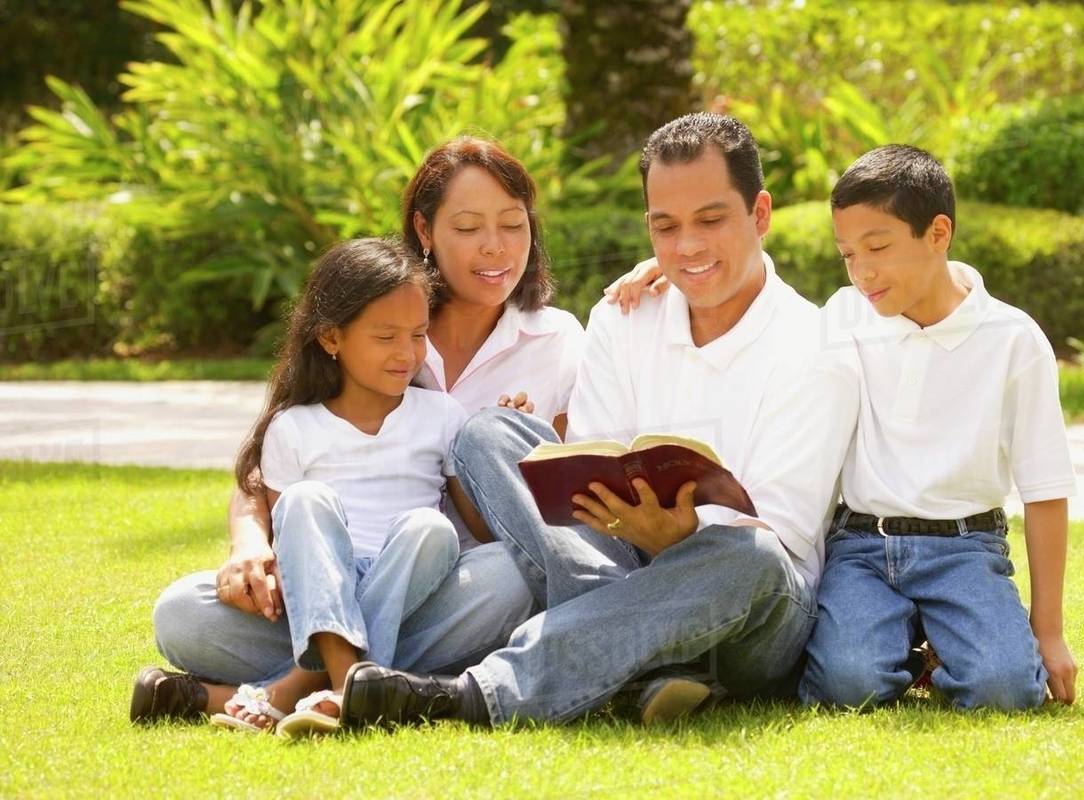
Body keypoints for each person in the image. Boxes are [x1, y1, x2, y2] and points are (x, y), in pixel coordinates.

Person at [332, 112, 859, 729]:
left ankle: (472, 695)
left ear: (759, 214)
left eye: (710, 220)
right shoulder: (623, 317)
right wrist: (627, 521)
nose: (687, 247)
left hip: (748, 605)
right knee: (488, 434)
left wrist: (676, 535)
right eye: (666, 226)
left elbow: (784, 530)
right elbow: (584, 478)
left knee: (753, 555)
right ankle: (649, 668)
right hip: (622, 561)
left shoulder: (817, 346)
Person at [135, 138, 583, 725]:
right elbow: (267, 473)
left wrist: (511, 440)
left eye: (513, 224)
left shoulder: (558, 341)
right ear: (424, 230)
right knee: (181, 614)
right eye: (468, 227)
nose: (495, 246)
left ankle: (286, 687)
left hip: (455, 589)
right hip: (323, 576)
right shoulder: (378, 304)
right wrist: (249, 545)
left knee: (513, 578)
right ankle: (375, 682)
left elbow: (562, 495)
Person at [796, 144, 1079, 709]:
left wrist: (1048, 632)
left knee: (1004, 690)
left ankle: (945, 644)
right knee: (846, 684)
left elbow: (1045, 489)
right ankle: (912, 651)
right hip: (862, 547)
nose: (862, 272)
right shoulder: (843, 316)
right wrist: (664, 275)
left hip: (965, 548)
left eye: (878, 248)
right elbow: (758, 308)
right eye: (848, 254)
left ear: (938, 233)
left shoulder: (1013, 339)